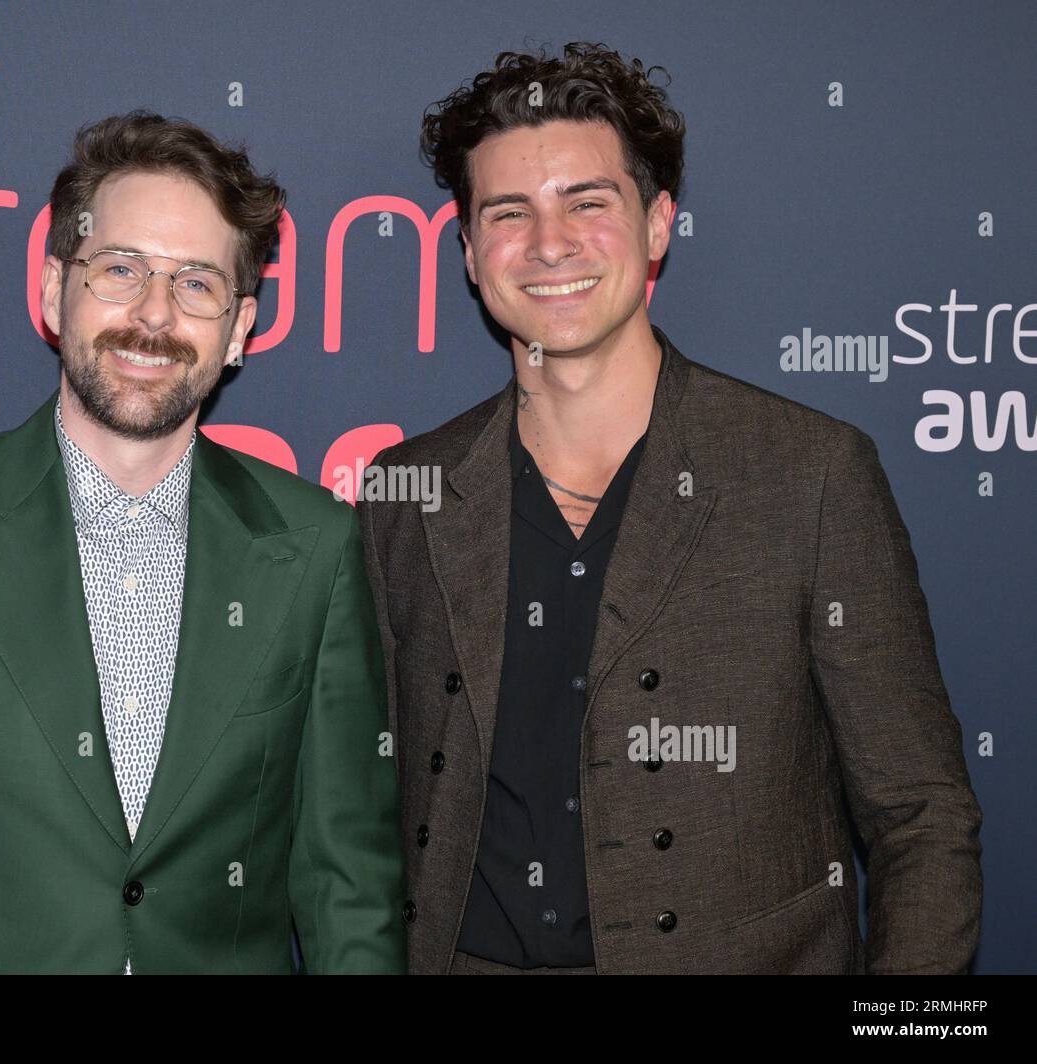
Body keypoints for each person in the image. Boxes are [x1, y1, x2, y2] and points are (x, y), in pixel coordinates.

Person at [357, 43, 982, 975]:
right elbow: (361, 818)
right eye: (509, 213)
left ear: (657, 226)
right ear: (469, 255)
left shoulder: (810, 473)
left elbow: (921, 819)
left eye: (587, 203)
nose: (550, 244)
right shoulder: (404, 495)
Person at [0, 111, 405, 975]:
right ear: (55, 292)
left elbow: (348, 883)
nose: (154, 314)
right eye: (120, 269)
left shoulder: (312, 545)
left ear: (240, 330)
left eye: (197, 283)